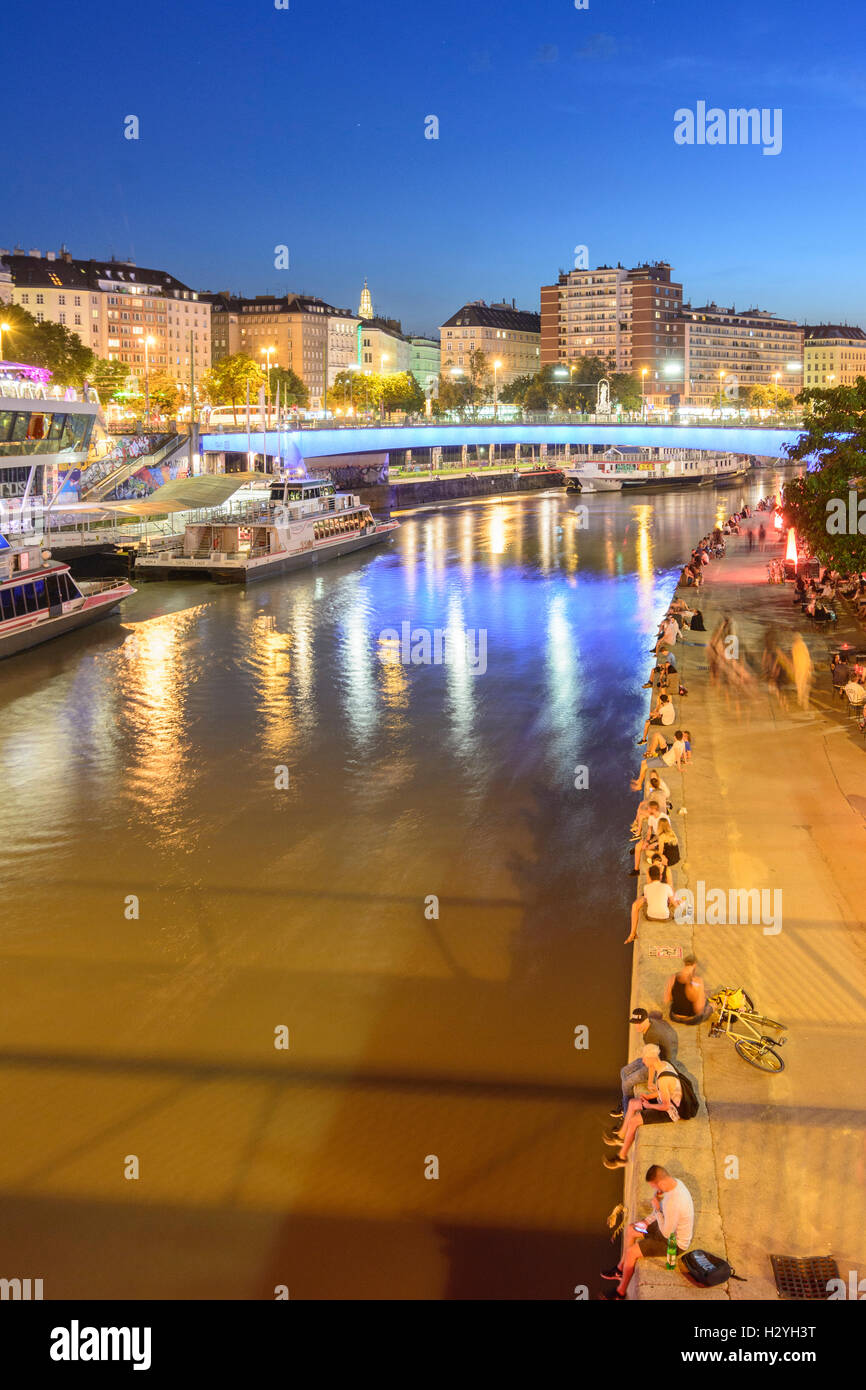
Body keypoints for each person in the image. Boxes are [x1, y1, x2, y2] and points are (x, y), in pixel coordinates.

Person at [600, 1165, 695, 1299]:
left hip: (673, 1243)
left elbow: (666, 1233)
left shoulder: (675, 1202)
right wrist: (647, 1221)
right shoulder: (674, 1183)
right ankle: (620, 1269)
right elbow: (660, 1210)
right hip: (665, 1225)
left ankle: (620, 1293)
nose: (655, 1190)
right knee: (631, 1229)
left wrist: (656, 1209)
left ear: (661, 1182)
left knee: (631, 1253)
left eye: (654, 1186)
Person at [602, 1047, 696, 1167]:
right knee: (632, 1103)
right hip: (665, 1099)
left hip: (672, 1111)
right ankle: (621, 1136)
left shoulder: (663, 1078)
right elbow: (664, 1090)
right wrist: (649, 1096)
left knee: (634, 1122)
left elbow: (666, 1106)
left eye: (645, 1059)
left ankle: (621, 1158)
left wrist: (649, 1105)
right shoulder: (664, 1065)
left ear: (652, 1059)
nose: (643, 1062)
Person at [611, 1008, 679, 1123]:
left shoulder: (651, 1035)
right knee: (624, 1071)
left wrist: (650, 1082)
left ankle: (627, 1117)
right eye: (635, 1023)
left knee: (627, 1082)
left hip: (659, 1065)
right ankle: (625, 1103)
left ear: (647, 1020)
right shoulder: (650, 1025)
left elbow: (652, 1063)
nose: (637, 1026)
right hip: (653, 1057)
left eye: (639, 1023)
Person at [626, 864, 680, 944]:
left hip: (650, 917)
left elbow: (648, 901)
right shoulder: (666, 886)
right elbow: (675, 904)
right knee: (674, 906)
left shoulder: (646, 887)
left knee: (643, 905)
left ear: (650, 877)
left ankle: (633, 933)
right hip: (665, 918)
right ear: (660, 876)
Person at [665, 955, 712, 1024]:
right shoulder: (698, 981)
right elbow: (698, 1009)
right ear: (695, 965)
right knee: (710, 1006)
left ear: (684, 964)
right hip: (690, 1019)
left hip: (674, 1016)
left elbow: (667, 999)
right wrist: (702, 996)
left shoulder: (673, 977)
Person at [791, 632, 813, 710]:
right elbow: (807, 656)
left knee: (799, 684)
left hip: (798, 668)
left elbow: (794, 658)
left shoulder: (794, 646)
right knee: (803, 684)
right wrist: (809, 666)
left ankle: (800, 700)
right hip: (803, 667)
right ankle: (803, 701)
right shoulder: (802, 644)